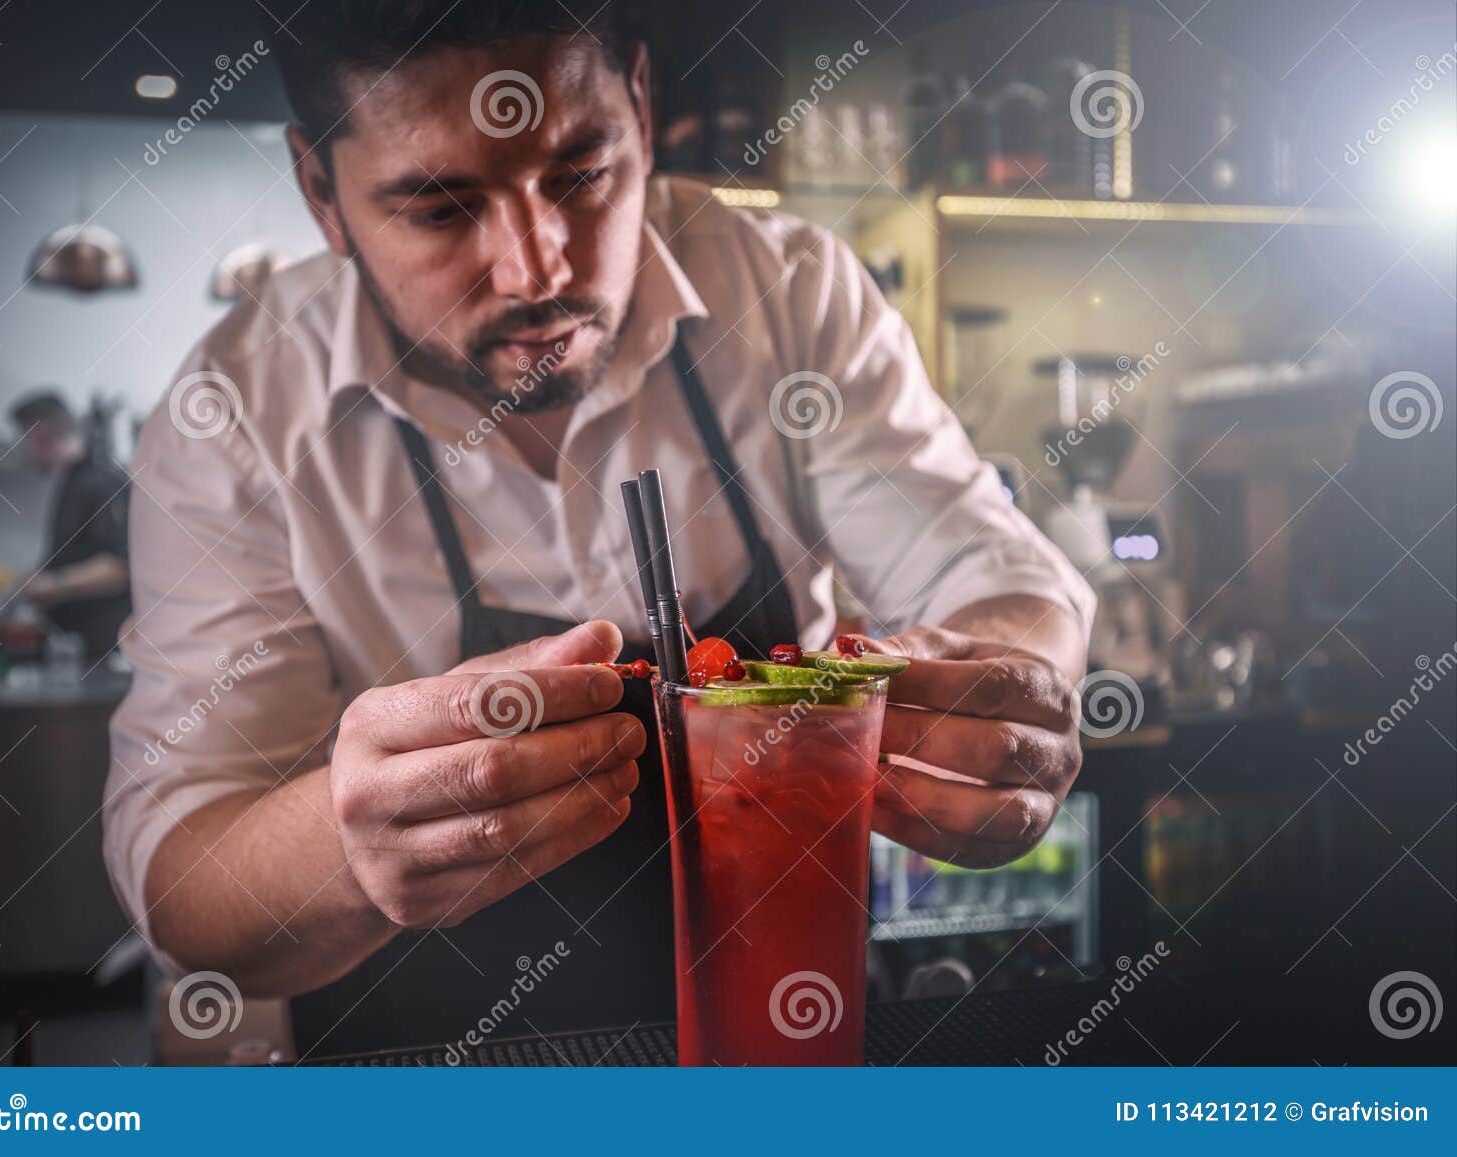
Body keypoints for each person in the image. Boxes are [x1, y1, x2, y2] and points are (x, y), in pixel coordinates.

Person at [104, 1, 1097, 1057]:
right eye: (441, 209)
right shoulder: (241, 411)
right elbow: (186, 889)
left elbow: (992, 573)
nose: (538, 270)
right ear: (322, 195)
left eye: (581, 176)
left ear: (641, 101)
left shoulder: (788, 292)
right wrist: (348, 845)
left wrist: (998, 689)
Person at [9, 391, 130, 660]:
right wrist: (39, 576)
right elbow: (74, 553)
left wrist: (51, 584)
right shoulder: (71, 482)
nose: (23, 451)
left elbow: (120, 568)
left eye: (23, 440)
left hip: (105, 648)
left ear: (39, 434)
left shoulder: (101, 482)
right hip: (79, 645)